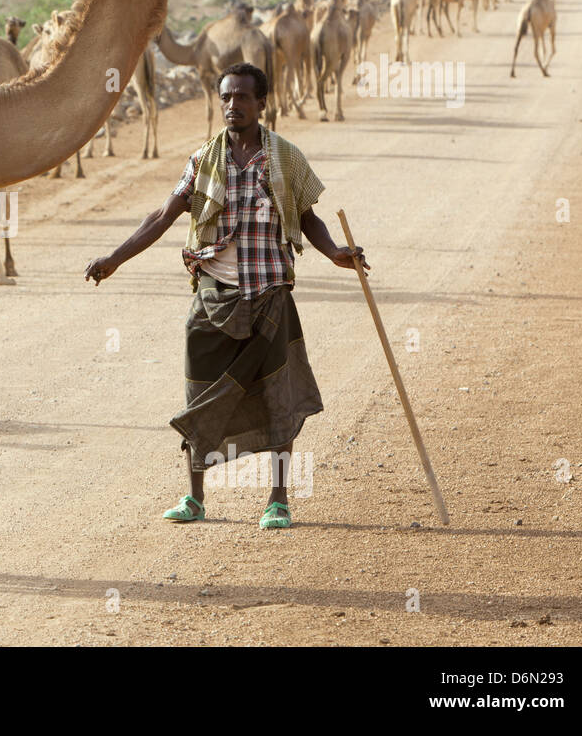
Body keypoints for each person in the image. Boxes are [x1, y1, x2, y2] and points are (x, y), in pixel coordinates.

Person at [83, 62, 368, 529]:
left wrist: (335, 251)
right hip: (213, 298)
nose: (233, 106)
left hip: (270, 295)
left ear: (262, 103)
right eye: (226, 98)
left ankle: (278, 500)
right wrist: (115, 259)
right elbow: (162, 216)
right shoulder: (202, 160)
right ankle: (195, 498)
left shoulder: (286, 158)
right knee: (200, 395)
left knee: (278, 395)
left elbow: (307, 215)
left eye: (242, 98)